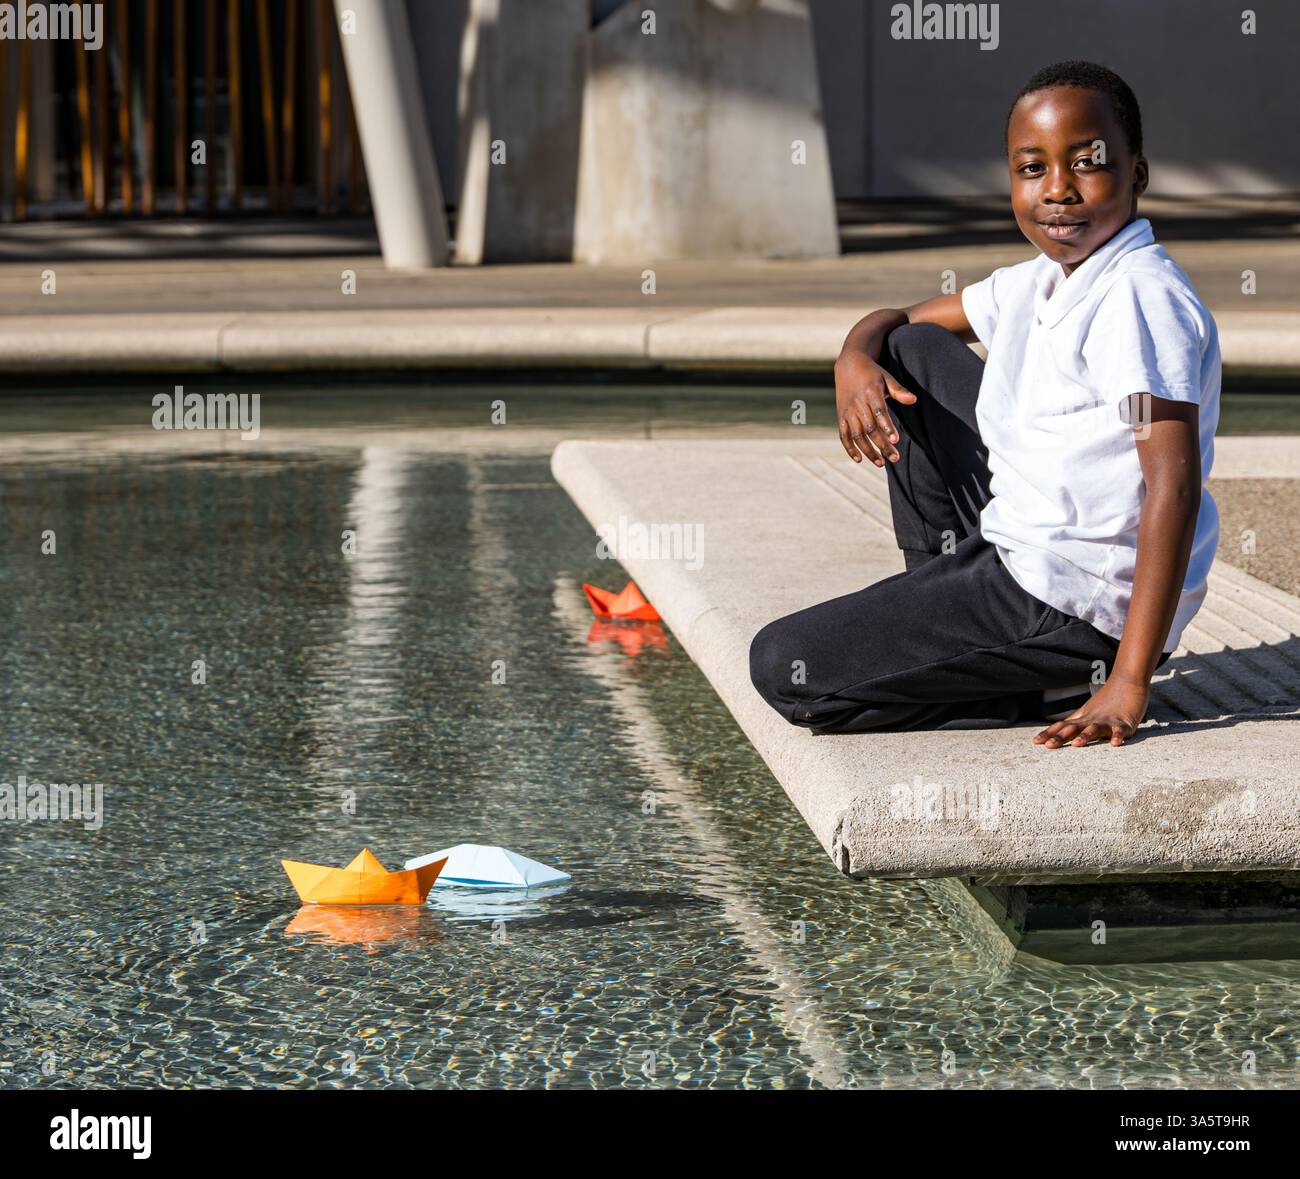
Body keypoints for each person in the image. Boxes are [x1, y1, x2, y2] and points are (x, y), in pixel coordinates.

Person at [749, 61, 1219, 749]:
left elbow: (1172, 486)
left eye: (1086, 163)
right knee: (906, 350)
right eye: (1033, 169)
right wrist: (854, 354)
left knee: (783, 668)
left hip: (1077, 602)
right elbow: (904, 320)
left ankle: (1025, 686)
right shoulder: (1047, 279)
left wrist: (1128, 681)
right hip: (1019, 546)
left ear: (1137, 175)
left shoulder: (1138, 296)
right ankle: (943, 599)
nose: (1058, 189)